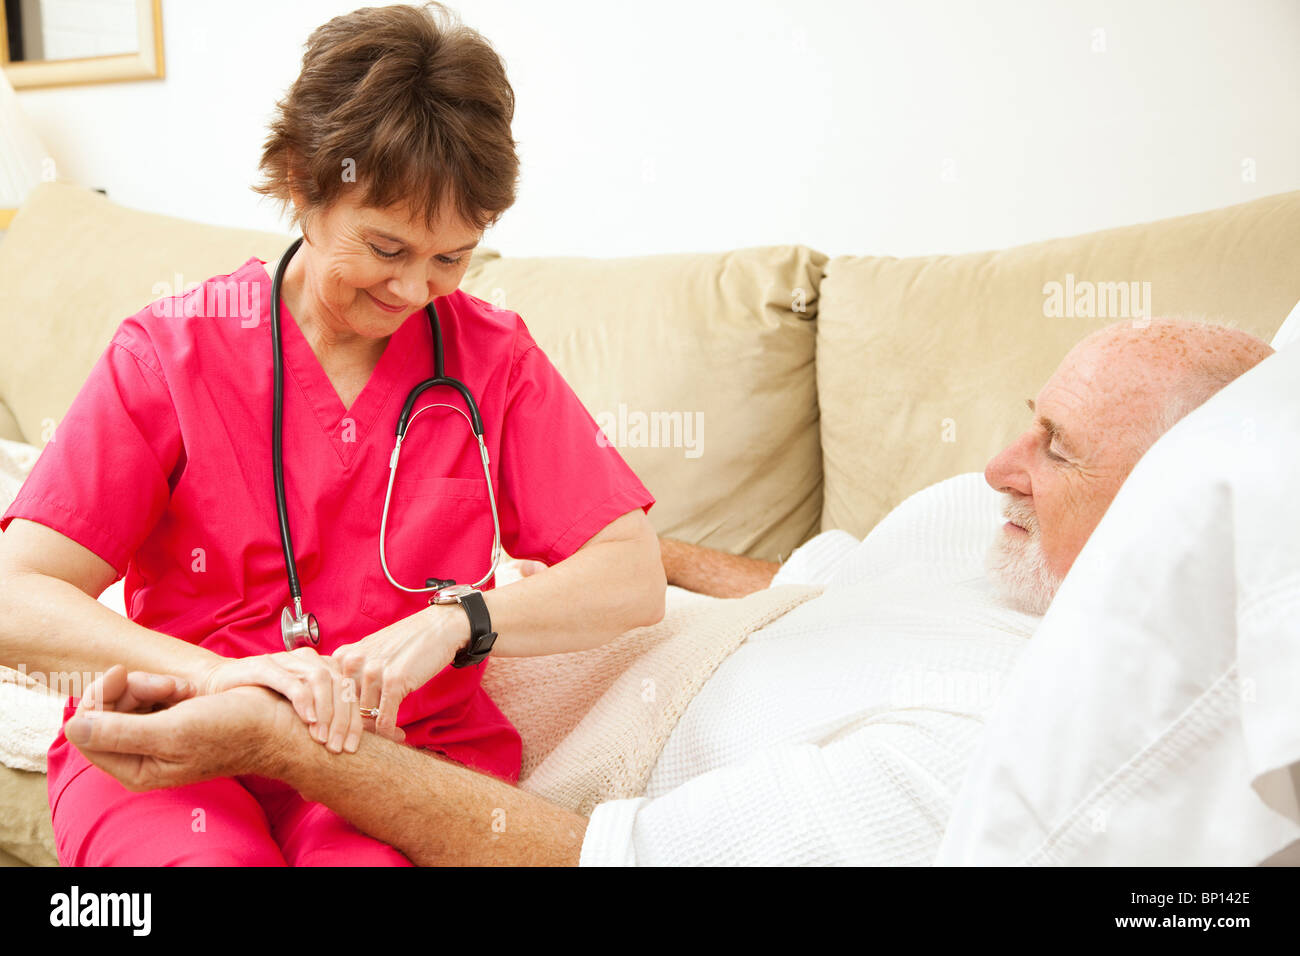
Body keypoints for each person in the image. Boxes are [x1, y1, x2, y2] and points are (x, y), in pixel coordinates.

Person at [59, 318, 1273, 866]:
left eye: (1055, 450)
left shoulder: (992, 756)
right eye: (1028, 422)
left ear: (1171, 521)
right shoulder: (988, 530)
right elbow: (806, 585)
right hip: (460, 611)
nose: (998, 465)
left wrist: (286, 740)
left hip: (407, 722)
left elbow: (597, 855)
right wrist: (577, 560)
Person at [0, 3, 663, 867]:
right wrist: (214, 674)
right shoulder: (173, 353)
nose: (416, 290)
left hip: (392, 753)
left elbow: (632, 574)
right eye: (386, 247)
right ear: (299, 180)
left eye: (450, 257)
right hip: (183, 733)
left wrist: (462, 620)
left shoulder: (491, 359)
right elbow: (17, 596)